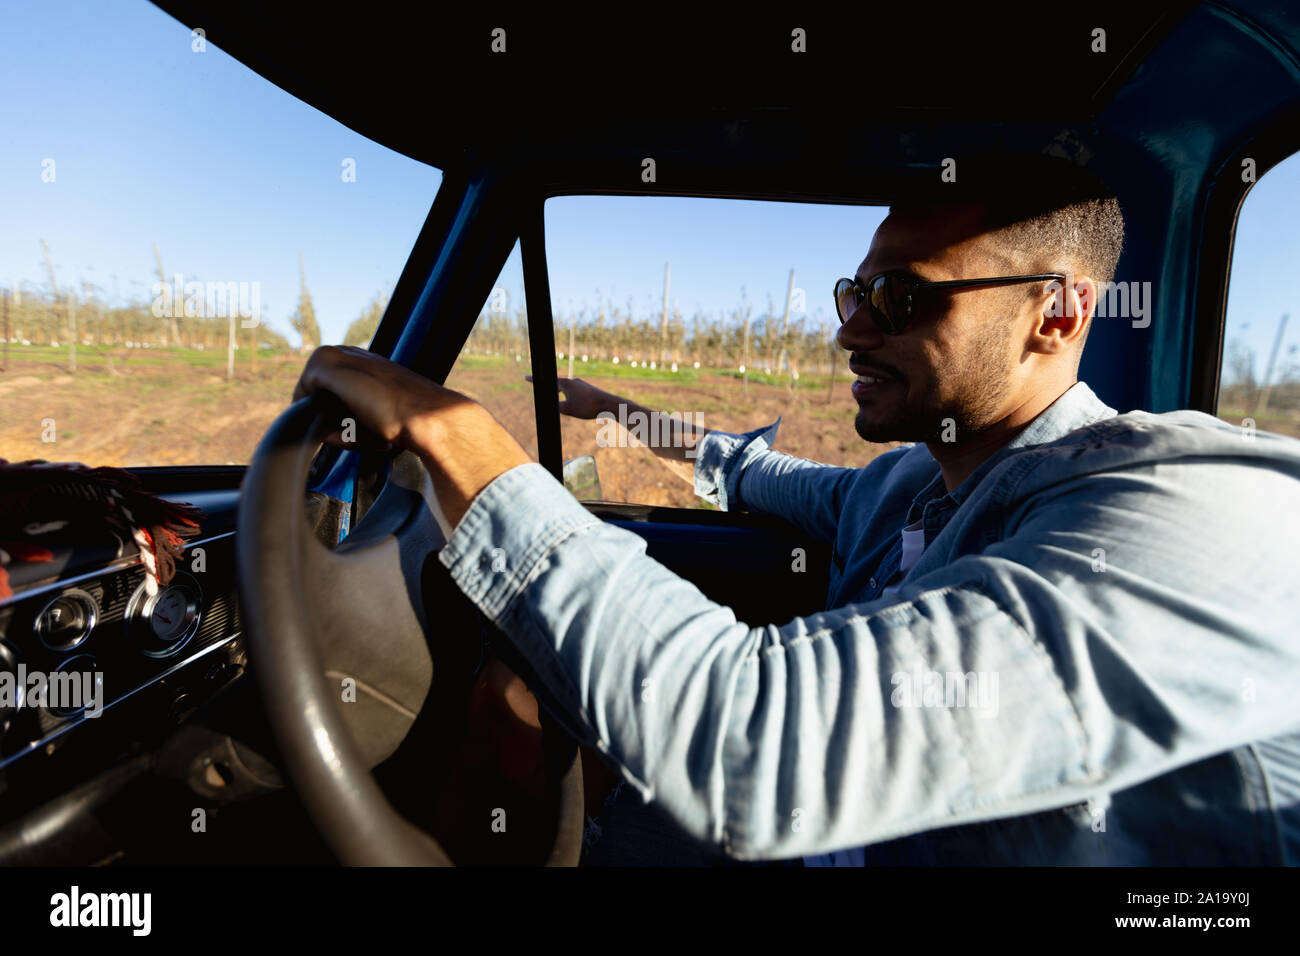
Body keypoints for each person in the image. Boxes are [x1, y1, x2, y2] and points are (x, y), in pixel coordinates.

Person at [292, 169, 1300, 865]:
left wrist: (462, 440)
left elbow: (754, 736)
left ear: (1058, 311)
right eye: (854, 291)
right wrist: (610, 413)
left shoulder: (1187, 507)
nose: (848, 329)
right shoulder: (906, 486)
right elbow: (748, 470)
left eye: (900, 297)